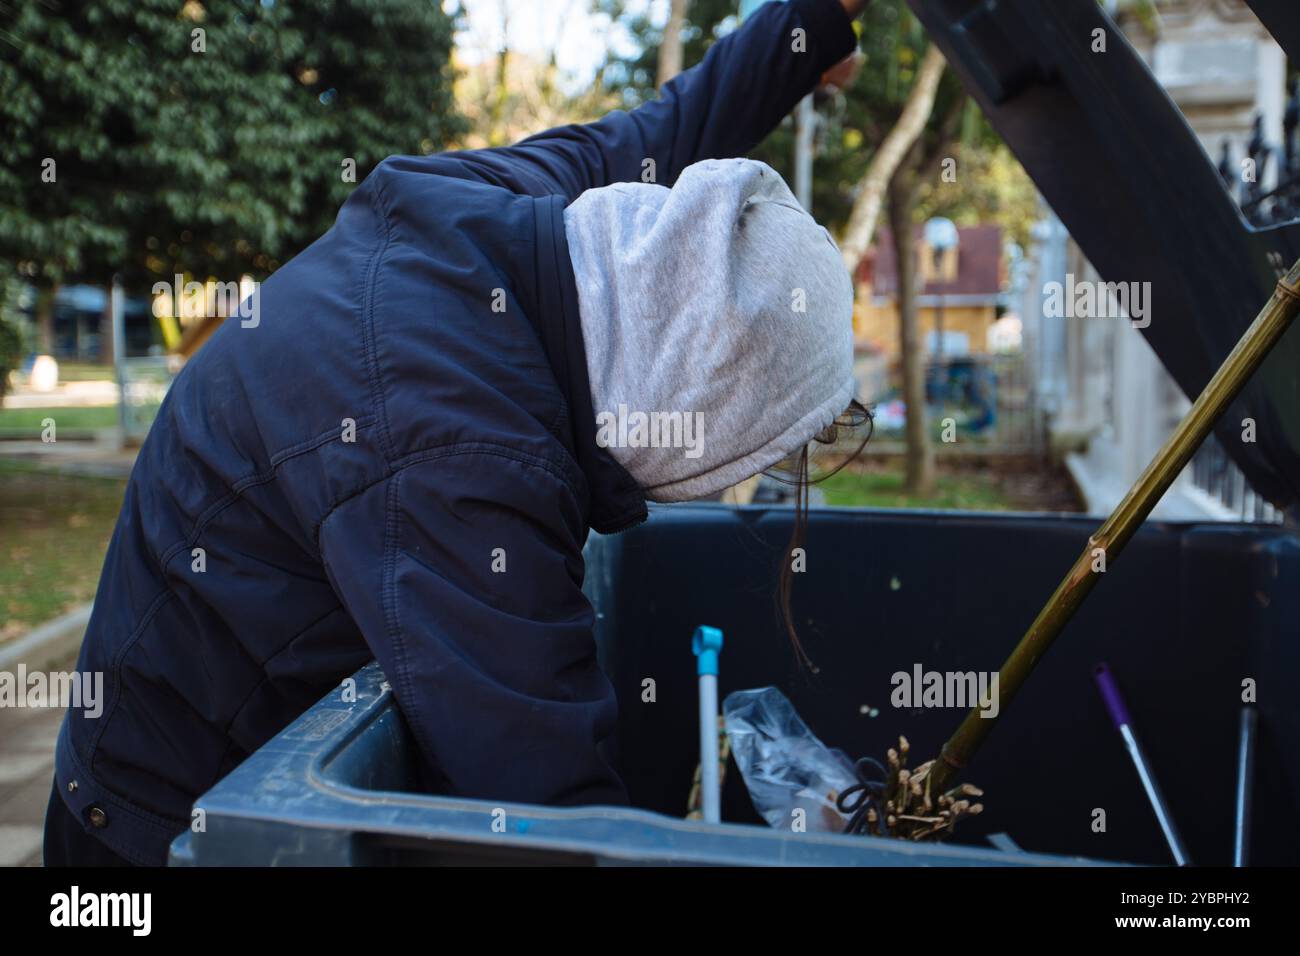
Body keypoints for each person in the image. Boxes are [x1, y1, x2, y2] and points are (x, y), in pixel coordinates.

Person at [45, 0, 870, 866]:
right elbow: (547, 806)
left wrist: (806, 24)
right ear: (702, 414)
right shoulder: (463, 458)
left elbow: (663, 132)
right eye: (761, 440)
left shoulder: (516, 225)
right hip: (157, 823)